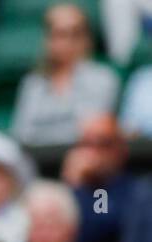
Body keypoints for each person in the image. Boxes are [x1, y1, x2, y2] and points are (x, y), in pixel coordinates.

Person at [10, 3, 120, 148]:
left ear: (87, 38)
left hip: (86, 162)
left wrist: (44, 132)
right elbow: (21, 134)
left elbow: (93, 133)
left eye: (76, 34)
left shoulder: (104, 78)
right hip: (37, 163)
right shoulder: (32, 83)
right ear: (48, 39)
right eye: (61, 34)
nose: (68, 42)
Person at [60, 113, 136, 242]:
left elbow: (100, 233)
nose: (94, 152)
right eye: (86, 144)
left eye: (103, 143)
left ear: (121, 148)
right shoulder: (79, 189)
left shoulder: (135, 191)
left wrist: (79, 186)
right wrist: (71, 189)